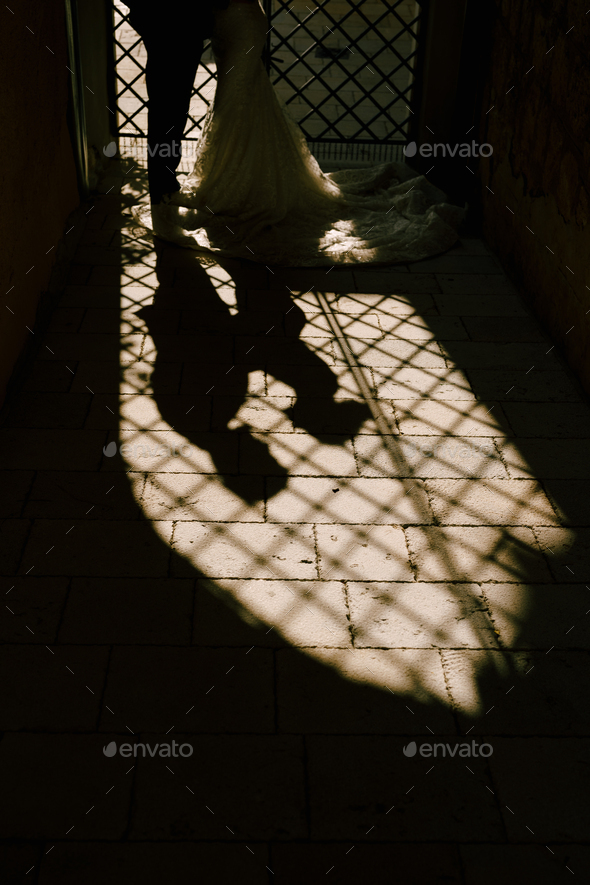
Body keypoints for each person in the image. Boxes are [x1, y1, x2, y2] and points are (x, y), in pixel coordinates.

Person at [132, 0, 465, 266]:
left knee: (225, 108)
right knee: (209, 110)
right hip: (202, 19)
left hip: (225, 20)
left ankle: (234, 187)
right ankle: (217, 185)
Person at [125, 0, 229, 207]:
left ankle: (163, 185)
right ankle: (163, 187)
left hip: (173, 26)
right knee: (169, 111)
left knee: (167, 110)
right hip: (178, 27)